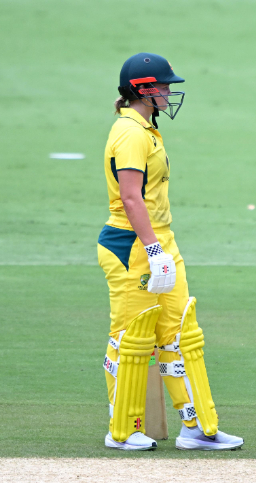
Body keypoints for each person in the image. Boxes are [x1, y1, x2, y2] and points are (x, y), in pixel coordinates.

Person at [97, 52, 243, 451]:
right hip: (131, 245)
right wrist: (152, 249)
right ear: (142, 90)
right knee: (130, 337)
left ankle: (197, 427)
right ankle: (121, 430)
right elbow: (130, 197)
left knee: (179, 334)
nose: (167, 92)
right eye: (162, 86)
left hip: (159, 241)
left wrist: (160, 247)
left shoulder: (146, 129)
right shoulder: (130, 133)